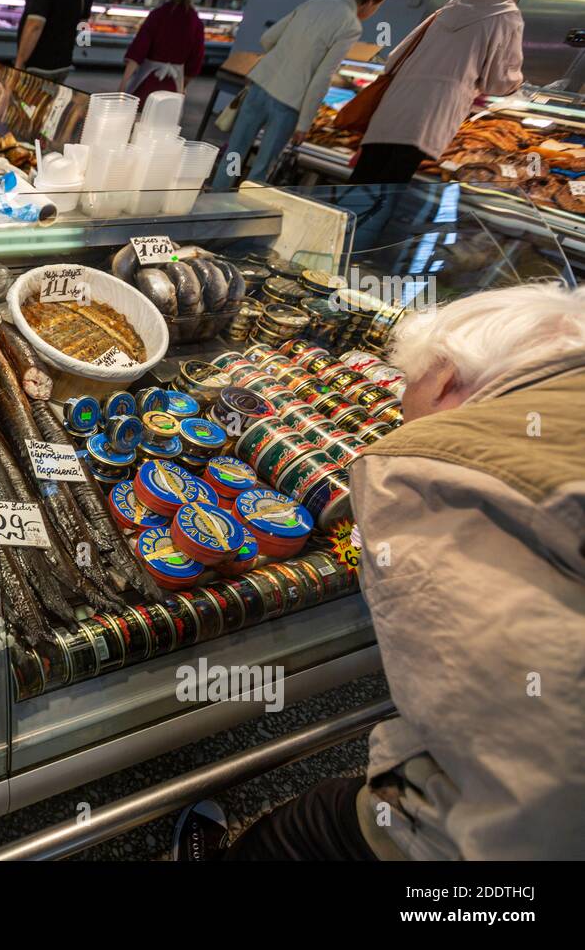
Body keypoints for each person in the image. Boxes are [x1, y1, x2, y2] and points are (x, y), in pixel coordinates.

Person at [174, 282, 585, 860]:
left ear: (443, 380)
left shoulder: (424, 468)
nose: (399, 412)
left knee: (297, 837)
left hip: (474, 844)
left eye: (405, 391)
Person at [210, 0, 388, 191]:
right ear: (372, 1)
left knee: (234, 152)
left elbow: (267, 38)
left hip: (260, 85)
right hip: (288, 102)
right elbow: (322, 77)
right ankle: (243, 212)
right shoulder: (350, 25)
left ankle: (216, 197)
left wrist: (283, 58)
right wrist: (304, 124)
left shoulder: (316, 2)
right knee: (262, 166)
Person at [348, 0, 524, 185]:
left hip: (395, 105)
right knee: (389, 189)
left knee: (360, 184)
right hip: (433, 115)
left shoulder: (448, 8)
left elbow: (394, 58)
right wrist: (516, 85)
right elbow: (499, 81)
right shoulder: (506, 16)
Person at [116, 0, 205, 103]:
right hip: (173, 89)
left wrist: (123, 85)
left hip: (146, 84)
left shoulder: (158, 14)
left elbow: (138, 50)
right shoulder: (196, 22)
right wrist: (183, 87)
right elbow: (196, 60)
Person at [14, 0, 96, 83]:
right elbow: (83, 22)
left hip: (38, 65)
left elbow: (35, 25)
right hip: (64, 64)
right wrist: (83, 46)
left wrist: (19, 63)